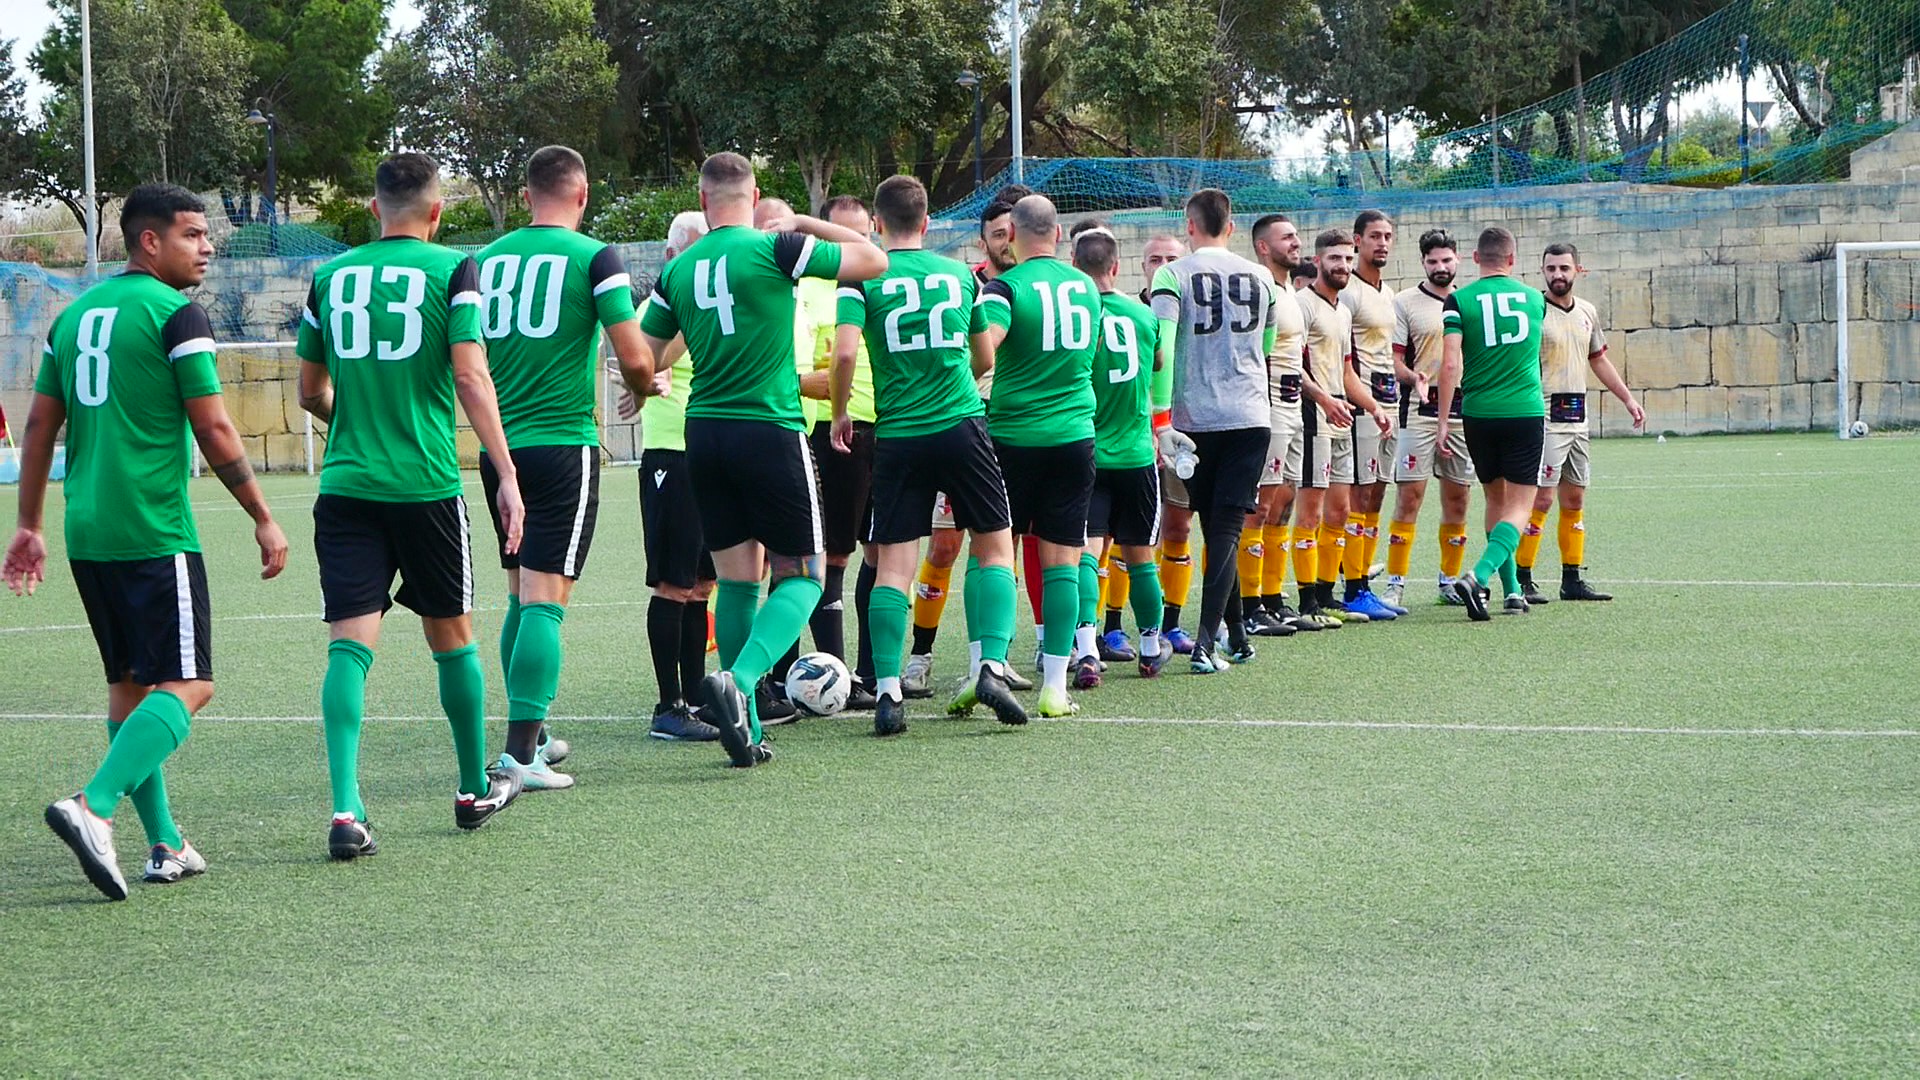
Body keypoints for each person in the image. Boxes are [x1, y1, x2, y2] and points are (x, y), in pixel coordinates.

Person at [9, 184, 290, 900]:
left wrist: (31, 524)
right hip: (153, 526)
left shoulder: (74, 317)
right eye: (194, 235)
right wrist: (262, 513)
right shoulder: (175, 313)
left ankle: (165, 843)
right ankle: (93, 807)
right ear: (149, 241)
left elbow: (40, 426)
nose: (207, 247)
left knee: (129, 687)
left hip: (87, 529)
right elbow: (215, 426)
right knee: (191, 683)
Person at [297, 152, 526, 858]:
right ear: (436, 212)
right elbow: (469, 373)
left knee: (349, 647)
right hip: (426, 486)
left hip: (346, 489)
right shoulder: (454, 270)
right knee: (451, 638)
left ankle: (345, 811)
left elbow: (309, 392)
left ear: (374, 209)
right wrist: (507, 473)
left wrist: (356, 427)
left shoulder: (327, 277)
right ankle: (468, 787)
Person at [637, 152, 886, 765]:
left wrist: (647, 382)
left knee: (739, 581)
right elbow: (873, 259)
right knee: (803, 575)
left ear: (702, 198)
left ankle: (743, 729)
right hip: (769, 431)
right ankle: (740, 682)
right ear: (753, 198)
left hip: (705, 437)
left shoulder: (679, 268)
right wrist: (803, 220)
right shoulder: (776, 249)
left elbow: (649, 356)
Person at [474, 145, 655, 788]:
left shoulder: (483, 261)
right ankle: (519, 754)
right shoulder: (594, 256)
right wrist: (646, 383)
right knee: (546, 601)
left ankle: (536, 734)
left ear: (526, 196)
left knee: (521, 597)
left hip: (500, 451)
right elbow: (631, 349)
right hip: (563, 445)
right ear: (582, 196)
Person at [832, 174, 1028, 735]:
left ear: (876, 222)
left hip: (898, 432)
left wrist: (844, 411)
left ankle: (889, 691)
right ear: (927, 223)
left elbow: (845, 352)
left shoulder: (860, 278)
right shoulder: (961, 276)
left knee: (894, 564)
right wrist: (950, 386)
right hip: (963, 424)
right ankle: (989, 663)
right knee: (993, 550)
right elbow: (985, 358)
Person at [973, 194, 1101, 717]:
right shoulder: (1086, 287)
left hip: (1013, 437)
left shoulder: (1006, 287)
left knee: (991, 556)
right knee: (1064, 562)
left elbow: (989, 344)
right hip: (1074, 436)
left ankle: (988, 664)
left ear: (1013, 236)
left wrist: (973, 346)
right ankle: (1054, 686)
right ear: (1060, 235)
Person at [1149, 188, 1278, 673]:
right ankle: (1236, 636)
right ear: (1232, 226)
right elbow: (1265, 346)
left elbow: (1162, 349)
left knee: (1219, 528)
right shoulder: (1262, 277)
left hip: (1194, 419)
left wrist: (1161, 417)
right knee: (1220, 529)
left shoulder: (1172, 274)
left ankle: (1204, 643)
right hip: (1249, 415)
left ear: (1189, 225)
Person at [632, 212, 722, 742]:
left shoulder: (706, 302)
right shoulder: (663, 306)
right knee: (672, 583)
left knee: (701, 584)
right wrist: (648, 377)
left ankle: (694, 697)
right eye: (693, 254)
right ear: (673, 257)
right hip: (672, 456)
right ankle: (668, 706)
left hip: (709, 453)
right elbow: (640, 357)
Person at [1513, 242, 1645, 603]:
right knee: (1541, 500)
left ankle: (1571, 579)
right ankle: (1523, 579)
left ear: (1577, 270)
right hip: (1544, 417)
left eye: (1564, 268)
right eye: (1551, 268)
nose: (1558, 275)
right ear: (1542, 271)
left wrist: (1628, 399)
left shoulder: (1587, 311)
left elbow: (1598, 360)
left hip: (1577, 418)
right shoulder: (1534, 311)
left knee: (1574, 499)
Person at [1070, 226, 1170, 679]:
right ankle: (1150, 646)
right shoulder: (1142, 315)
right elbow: (1159, 364)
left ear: (1075, 266)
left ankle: (1087, 649)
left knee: (1087, 556)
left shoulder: (1076, 316)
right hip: (1135, 454)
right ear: (1115, 267)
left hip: (1088, 453)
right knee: (1139, 557)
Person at [1434, 226, 1548, 620]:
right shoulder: (1537, 299)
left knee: (1494, 500)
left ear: (1476, 258)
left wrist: (1444, 420)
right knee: (1520, 507)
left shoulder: (1457, 300)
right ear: (1512, 260)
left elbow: (1450, 363)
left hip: (1478, 413)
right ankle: (1479, 577)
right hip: (1523, 410)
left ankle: (1513, 591)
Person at [802, 194, 881, 706]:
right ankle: (832, 673)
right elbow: (790, 375)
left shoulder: (887, 282)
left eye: (860, 237)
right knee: (832, 555)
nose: (851, 248)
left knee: (887, 551)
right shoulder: (808, 292)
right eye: (838, 238)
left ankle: (873, 671)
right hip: (834, 434)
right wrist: (835, 385)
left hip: (891, 432)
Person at [1296, 229, 1393, 624]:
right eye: (1335, 259)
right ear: (1318, 261)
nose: (1343, 266)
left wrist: (1372, 407)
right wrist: (1324, 399)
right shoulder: (1303, 305)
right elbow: (1291, 366)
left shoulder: (1343, 309)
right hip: (1312, 418)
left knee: (1340, 511)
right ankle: (1306, 603)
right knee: (1310, 513)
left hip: (1341, 418)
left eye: (1348, 259)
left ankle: (1328, 594)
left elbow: (1347, 370)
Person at [1241, 213, 1326, 633]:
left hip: (1294, 409)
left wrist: (1323, 398)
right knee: (1259, 506)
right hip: (1269, 407)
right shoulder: (1259, 288)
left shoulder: (1291, 291)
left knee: (1284, 504)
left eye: (1296, 236)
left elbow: (1294, 359)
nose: (1296, 243)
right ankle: (1248, 605)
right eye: (1287, 237)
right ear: (1262, 246)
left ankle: (1274, 599)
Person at [1383, 229, 1475, 609]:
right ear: (1423, 262)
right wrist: (1412, 377)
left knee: (1459, 500)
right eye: (1433, 261)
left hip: (1462, 414)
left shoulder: (1470, 301)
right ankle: (1395, 584)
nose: (1440, 267)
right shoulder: (1405, 303)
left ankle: (1449, 582)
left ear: (1458, 260)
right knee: (1410, 497)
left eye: (1446, 260)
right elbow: (1395, 359)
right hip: (1417, 414)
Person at [1133, 235, 1197, 655]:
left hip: (1182, 432)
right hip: (1133, 437)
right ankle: (1115, 625)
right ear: (1141, 267)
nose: (1162, 265)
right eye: (1154, 259)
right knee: (1132, 536)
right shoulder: (1128, 310)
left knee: (1179, 527)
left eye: (1171, 259)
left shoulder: (1196, 313)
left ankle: (1171, 624)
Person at [1339, 210, 1402, 614]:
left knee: (1377, 494)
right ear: (1357, 241)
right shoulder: (1350, 293)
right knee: (1358, 495)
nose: (1382, 243)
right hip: (1364, 405)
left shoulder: (1389, 293)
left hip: (1389, 403)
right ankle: (1353, 586)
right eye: (1374, 236)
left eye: (1388, 236)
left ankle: (1361, 574)